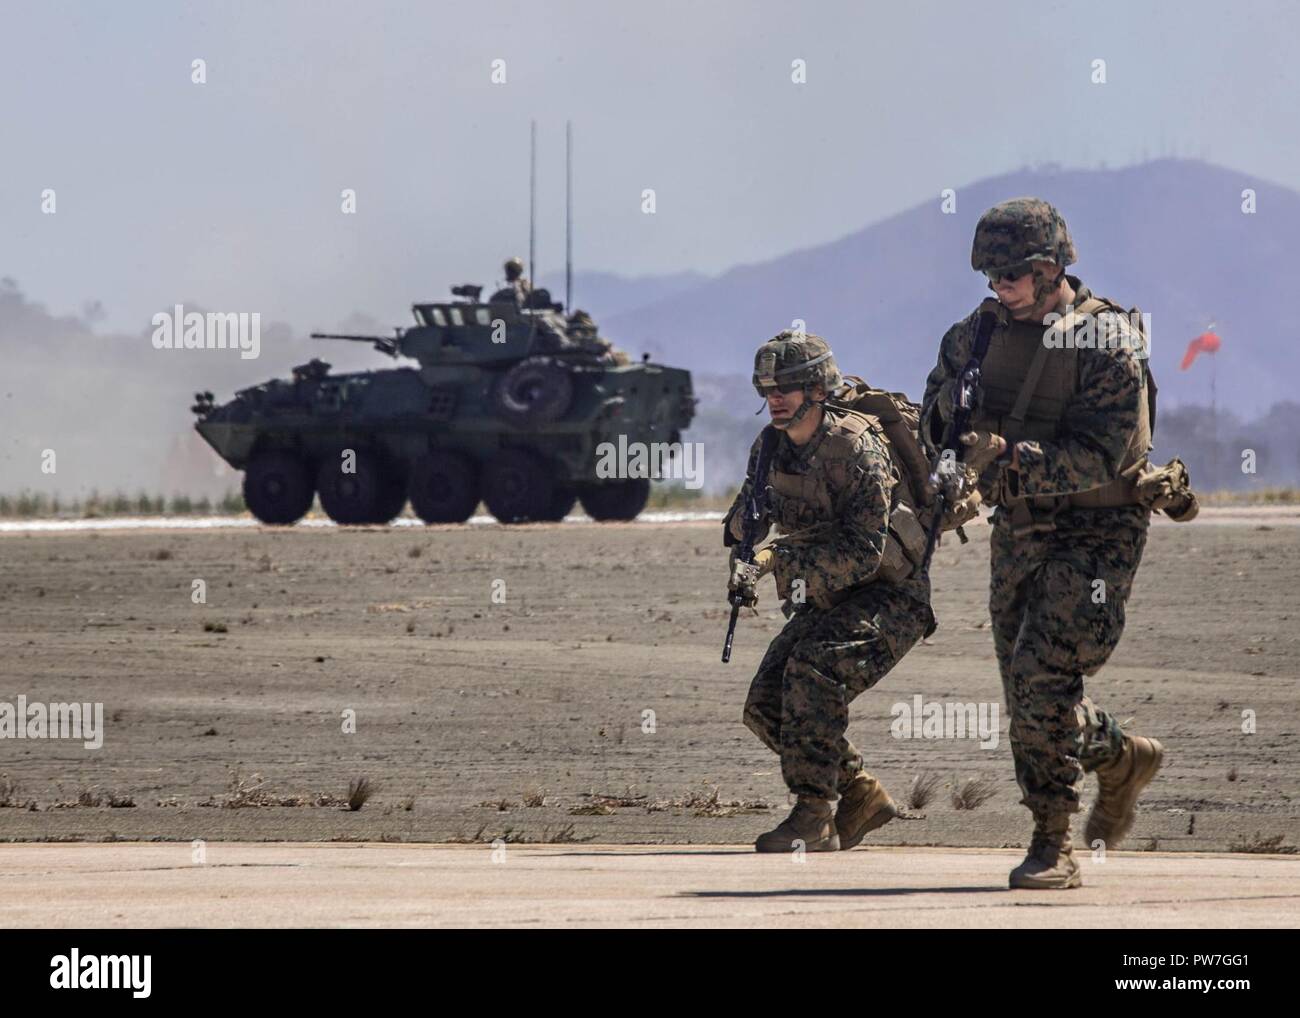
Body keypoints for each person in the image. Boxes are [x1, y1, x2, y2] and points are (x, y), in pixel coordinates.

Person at [919, 197, 1168, 889]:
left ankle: (1052, 843)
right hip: (1018, 530)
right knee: (1028, 693)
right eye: (991, 275)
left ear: (1050, 267)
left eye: (1011, 274)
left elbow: (1103, 456)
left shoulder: (1107, 340)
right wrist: (948, 430)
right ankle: (1118, 756)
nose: (999, 286)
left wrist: (1007, 456)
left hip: (1097, 534)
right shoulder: (975, 337)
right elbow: (932, 411)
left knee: (1039, 676)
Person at [725, 331, 936, 853]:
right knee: (766, 704)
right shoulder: (770, 447)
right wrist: (743, 539)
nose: (775, 399)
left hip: (890, 599)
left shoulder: (856, 448)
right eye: (768, 390)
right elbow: (747, 515)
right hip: (826, 598)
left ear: (818, 390)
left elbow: (863, 551)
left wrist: (776, 560)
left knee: (813, 672)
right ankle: (859, 792)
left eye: (787, 388)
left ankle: (814, 816)